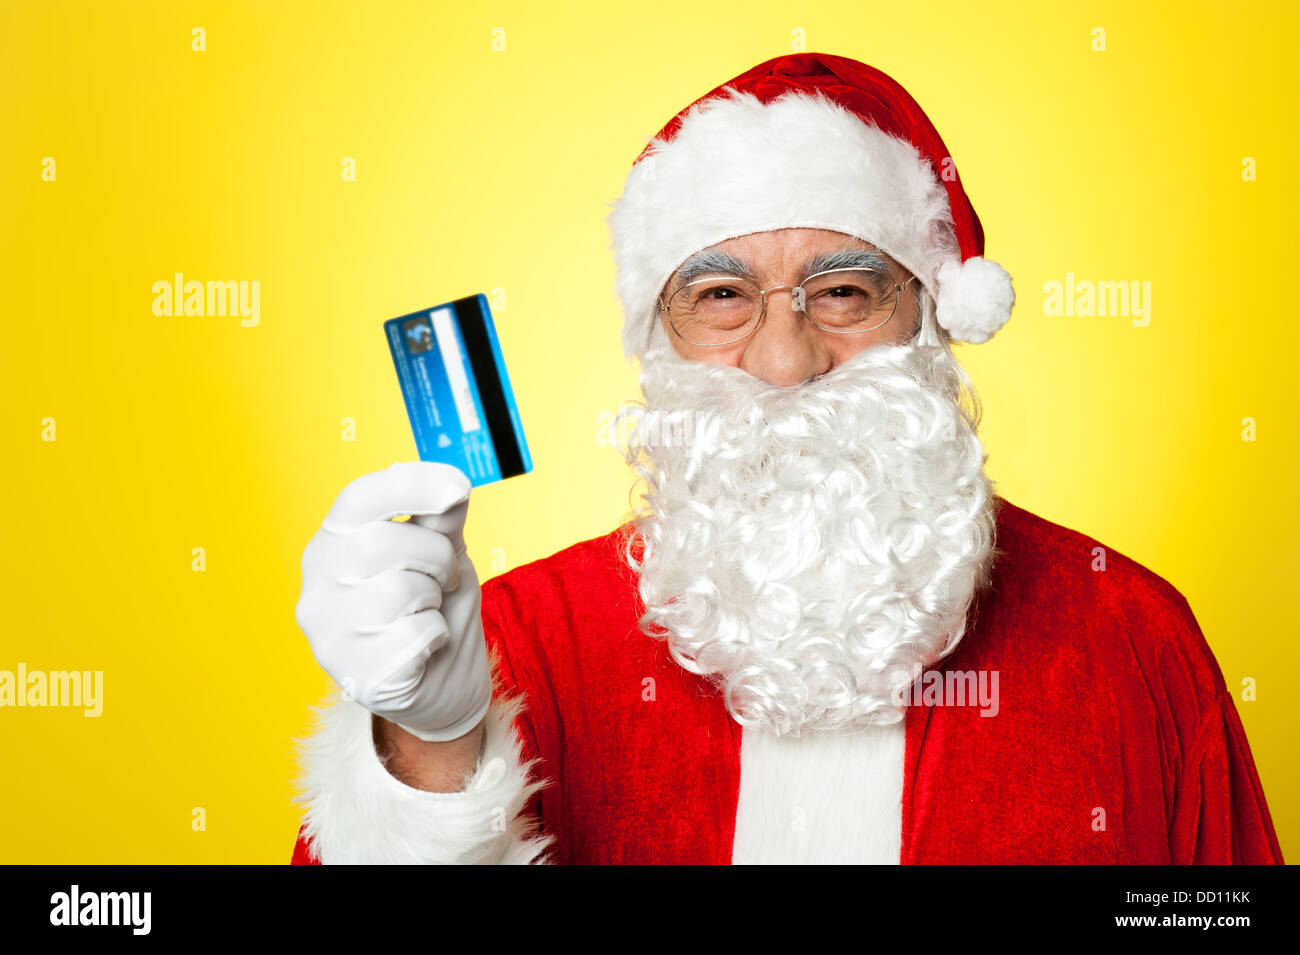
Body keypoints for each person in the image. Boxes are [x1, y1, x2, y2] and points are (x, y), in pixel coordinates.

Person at [289, 52, 1283, 864]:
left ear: (929, 321)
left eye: (843, 291)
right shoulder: (512, 647)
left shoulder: (1128, 640)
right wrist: (427, 739)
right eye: (720, 297)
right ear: (658, 339)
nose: (783, 360)